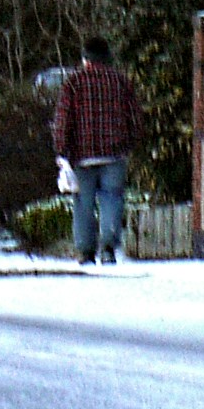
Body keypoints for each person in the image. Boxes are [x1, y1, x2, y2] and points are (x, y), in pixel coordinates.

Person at [50, 36, 143, 265]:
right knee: (112, 199)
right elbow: (135, 118)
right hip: (114, 154)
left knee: (83, 203)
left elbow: (63, 120)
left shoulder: (73, 82)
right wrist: (129, 143)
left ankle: (86, 252)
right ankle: (108, 247)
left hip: (82, 156)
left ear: (85, 58)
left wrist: (62, 151)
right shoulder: (120, 81)